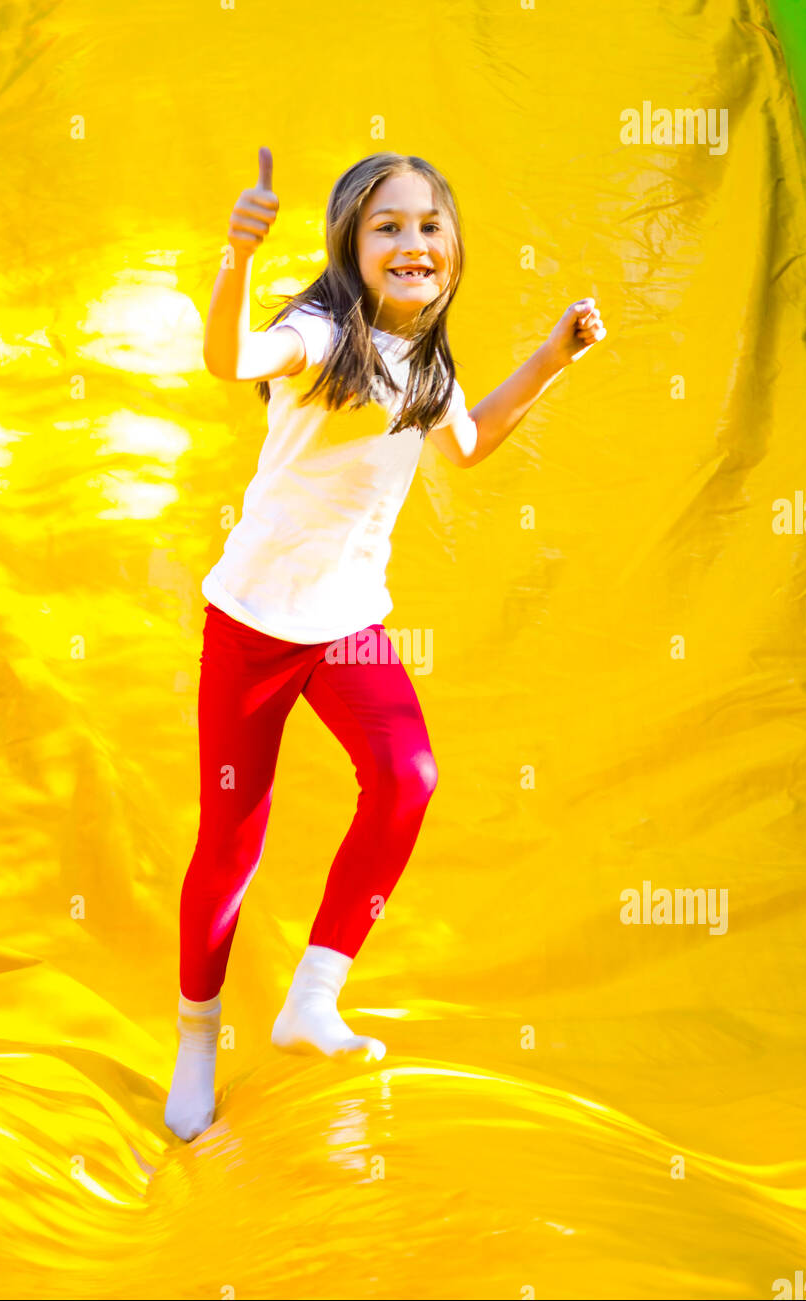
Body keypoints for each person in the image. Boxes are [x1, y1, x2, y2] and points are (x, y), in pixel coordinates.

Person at [164, 146, 606, 1141]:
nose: (411, 242)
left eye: (426, 225)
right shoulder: (319, 335)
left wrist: (550, 357)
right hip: (254, 623)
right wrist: (235, 258)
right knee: (231, 845)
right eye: (386, 226)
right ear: (348, 246)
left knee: (406, 778)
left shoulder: (428, 360)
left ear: (451, 248)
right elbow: (231, 358)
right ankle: (197, 1034)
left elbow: (466, 442)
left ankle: (312, 997)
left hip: (348, 625)